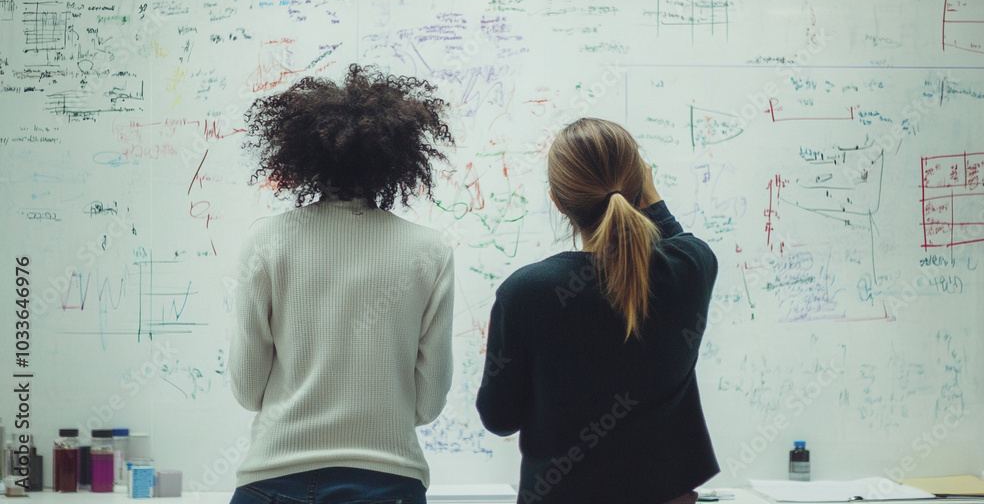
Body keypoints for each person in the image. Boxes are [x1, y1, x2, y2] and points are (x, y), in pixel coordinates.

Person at [229, 64, 456, 504]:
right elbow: (428, 403)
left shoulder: (267, 241)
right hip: (389, 481)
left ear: (302, 159)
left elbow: (247, 389)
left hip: (272, 479)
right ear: (397, 160)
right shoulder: (430, 251)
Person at [476, 118, 720, 504]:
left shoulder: (526, 292)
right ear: (640, 189)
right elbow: (678, 240)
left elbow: (499, 418)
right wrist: (650, 199)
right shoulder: (691, 268)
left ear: (558, 202)